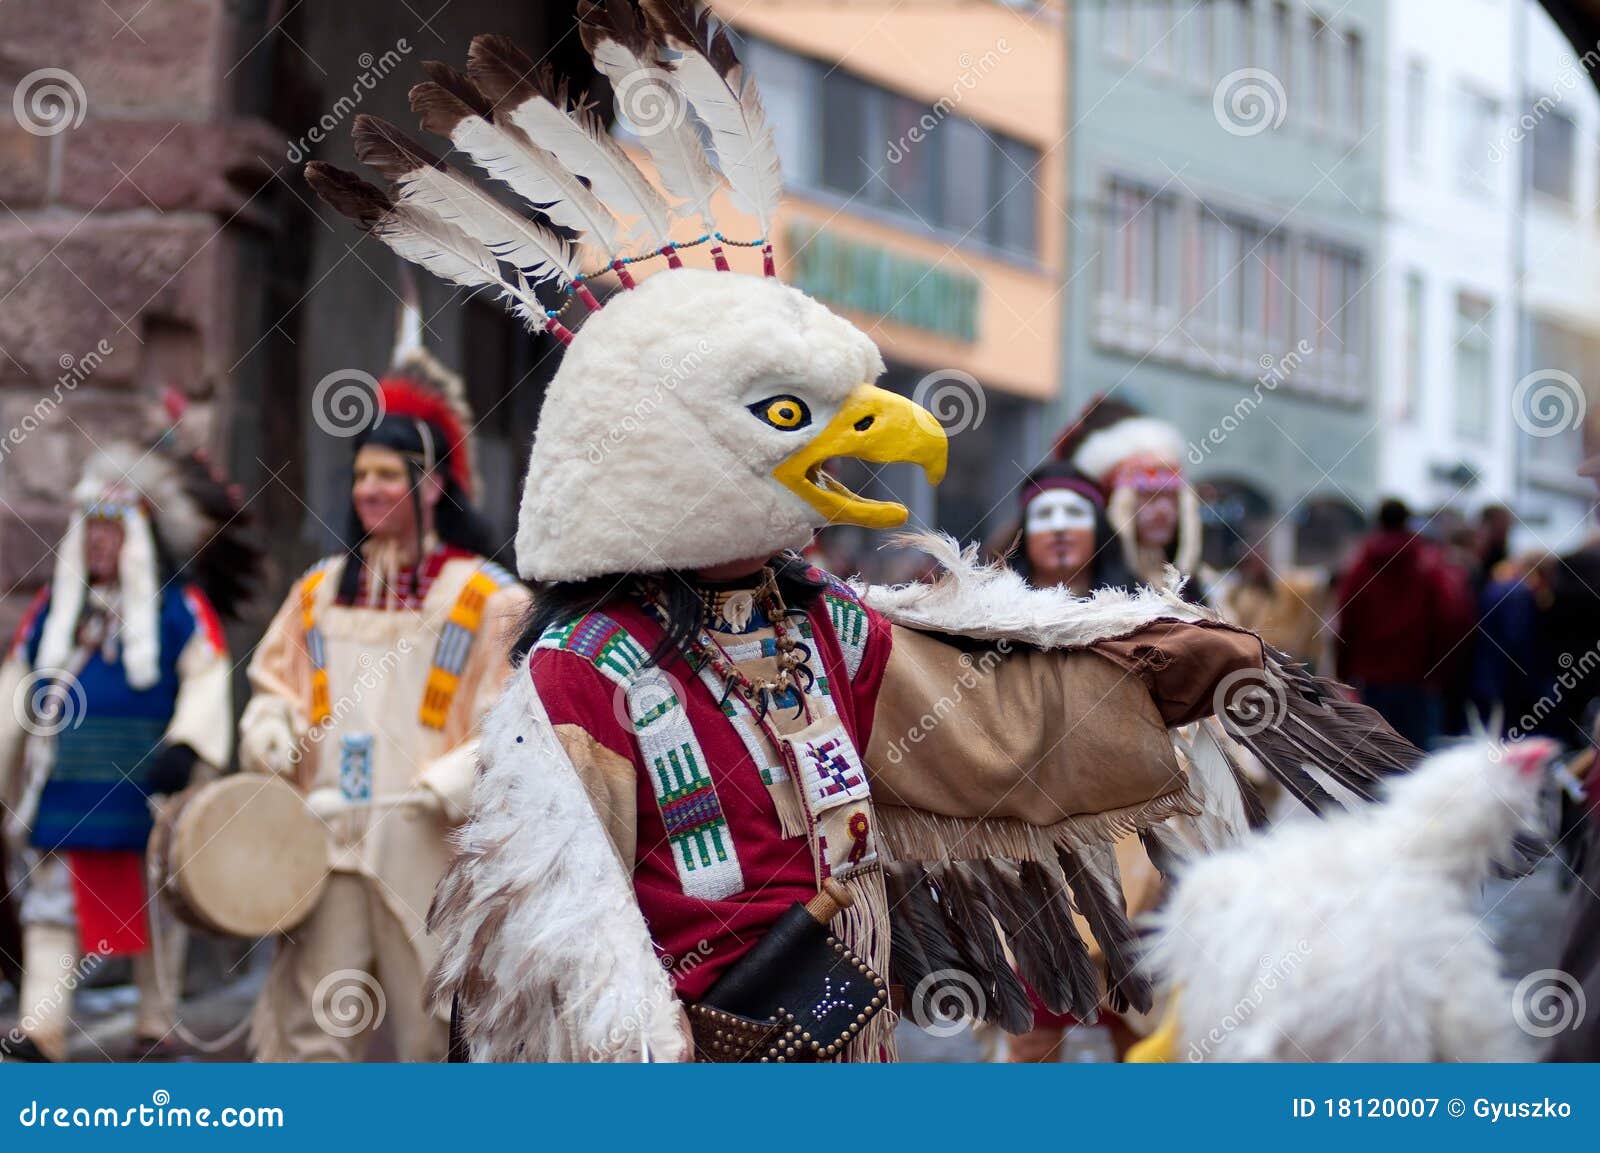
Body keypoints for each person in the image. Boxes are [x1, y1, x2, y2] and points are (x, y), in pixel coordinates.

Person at [311, 3, 1415, 1062]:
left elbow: (992, 733)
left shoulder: (828, 631)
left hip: (849, 1040)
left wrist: (1151, 676)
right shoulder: (574, 682)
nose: (892, 433)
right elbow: (550, 956)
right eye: (789, 415)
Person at [238, 315, 529, 1062]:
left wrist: (455, 779)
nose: (369, 490)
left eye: (387, 475)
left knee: (431, 1029)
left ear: (429, 486)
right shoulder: (316, 594)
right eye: (361, 475)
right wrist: (269, 723)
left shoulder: (484, 598)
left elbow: (517, 716)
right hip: (327, 838)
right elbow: (276, 681)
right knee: (315, 1029)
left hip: (426, 847)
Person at [0, 433, 255, 1061]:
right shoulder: (54, 613)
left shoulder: (180, 612)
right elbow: (16, 683)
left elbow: (205, 675)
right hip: (67, 790)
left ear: (139, 537)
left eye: (113, 531)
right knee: (51, 909)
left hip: (145, 791)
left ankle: (154, 1024)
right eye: (90, 530)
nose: (100, 542)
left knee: (158, 910)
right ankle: (42, 1029)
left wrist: (188, 745)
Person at [1335, 499, 1473, 750]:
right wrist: (1439, 670)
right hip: (1417, 678)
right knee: (1416, 756)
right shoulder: (1429, 566)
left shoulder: (1361, 567)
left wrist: (1344, 669)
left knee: (1376, 754)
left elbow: (1346, 619)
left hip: (1372, 677)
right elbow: (1448, 618)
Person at [1052, 397, 1209, 602]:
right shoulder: (1087, 587)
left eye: (1171, 498)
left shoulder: (1199, 586)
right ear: (1117, 506)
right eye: (1148, 497)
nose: (1163, 510)